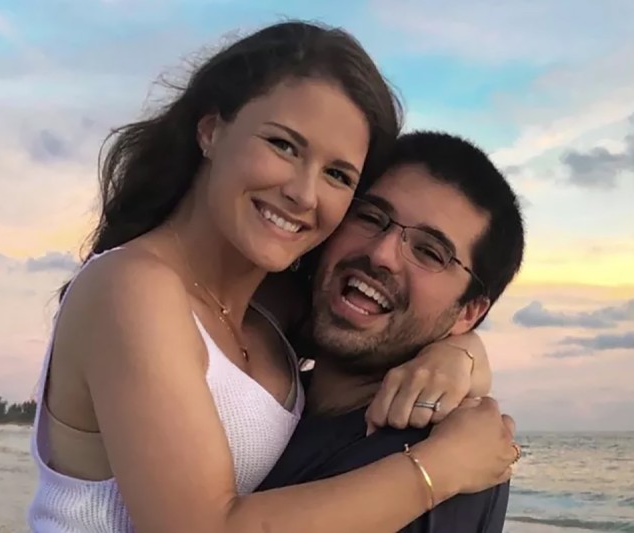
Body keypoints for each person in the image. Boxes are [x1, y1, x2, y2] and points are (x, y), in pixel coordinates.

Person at [27, 21, 519, 533]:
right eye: (284, 145)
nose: (304, 194)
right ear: (212, 130)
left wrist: (460, 354)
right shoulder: (131, 286)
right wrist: (440, 469)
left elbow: (381, 326)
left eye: (337, 175)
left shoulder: (269, 308)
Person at [258, 131, 526, 533]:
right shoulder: (253, 375)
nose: (381, 253)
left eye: (429, 252)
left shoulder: (447, 463)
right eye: (369, 217)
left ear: (468, 313)